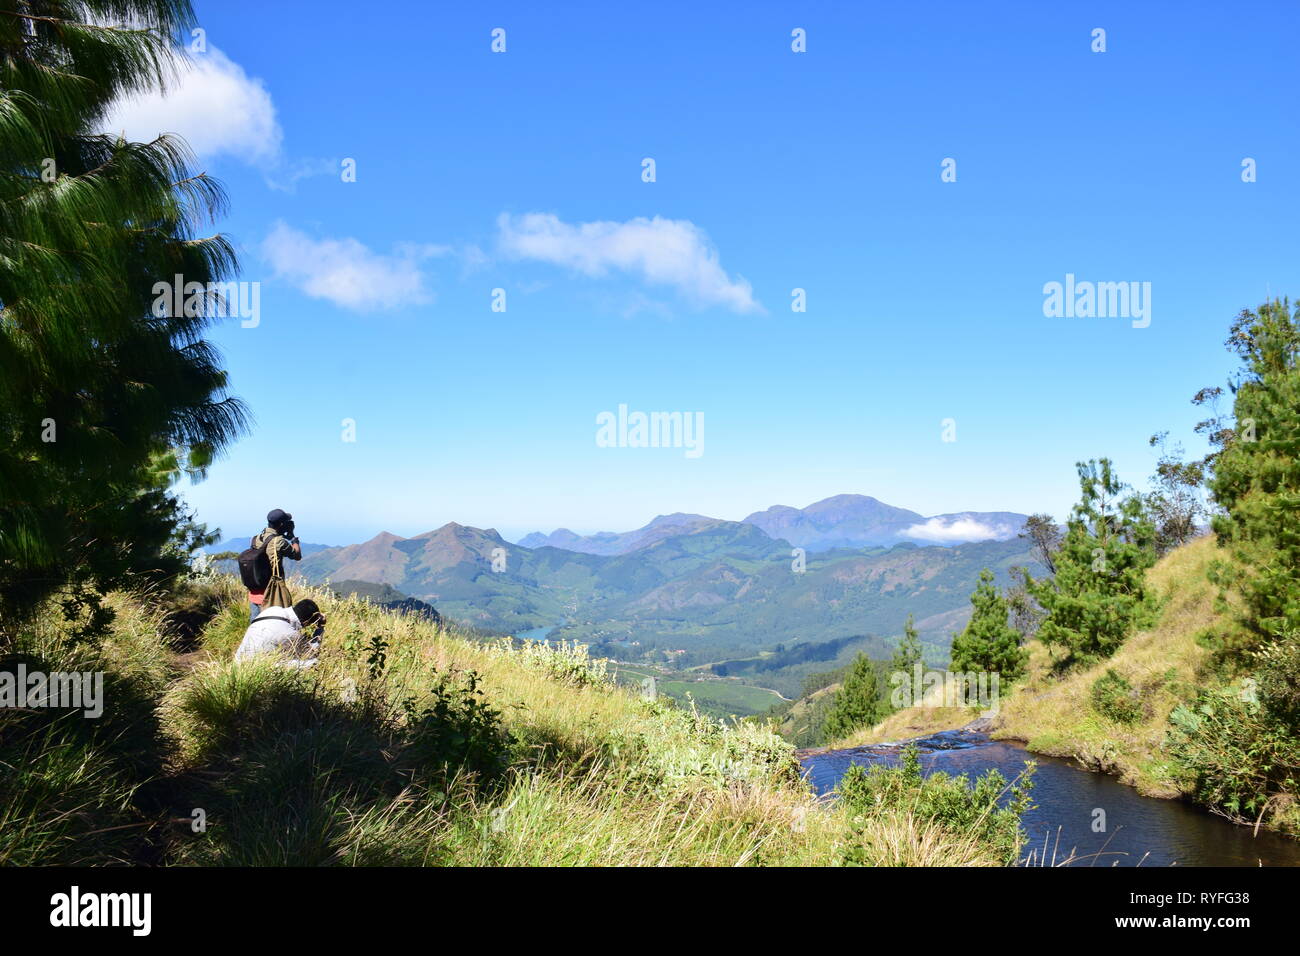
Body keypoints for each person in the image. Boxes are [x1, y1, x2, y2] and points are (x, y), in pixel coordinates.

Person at [234, 598, 326, 669]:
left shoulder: (273, 609)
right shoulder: (289, 633)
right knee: (314, 662)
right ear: (305, 622)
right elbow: (311, 652)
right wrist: (320, 628)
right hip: (254, 668)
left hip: (238, 662)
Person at [248, 508, 301, 620]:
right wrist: (293, 539)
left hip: (254, 592)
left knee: (255, 629)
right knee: (274, 630)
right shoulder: (279, 541)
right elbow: (297, 556)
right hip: (272, 595)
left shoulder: (255, 539)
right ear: (281, 524)